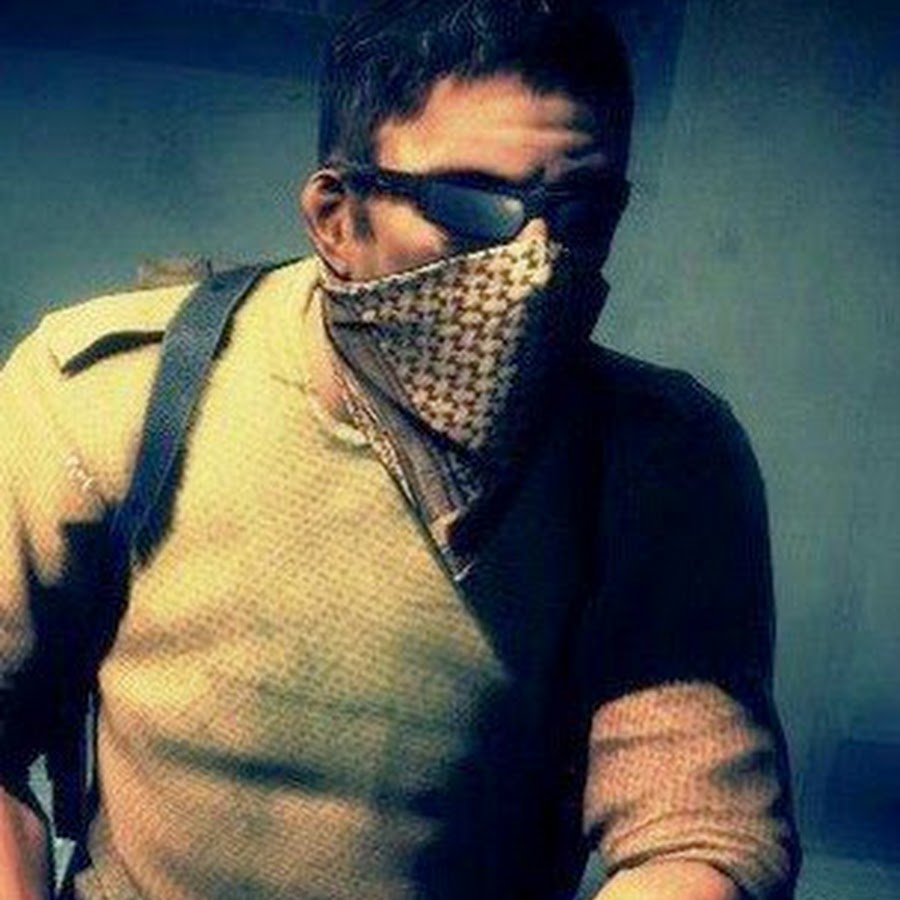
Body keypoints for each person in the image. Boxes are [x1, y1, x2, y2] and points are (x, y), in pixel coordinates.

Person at [0, 1, 801, 898]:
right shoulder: (113, 392)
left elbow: (698, 833)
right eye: (470, 204)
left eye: (580, 211)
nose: (536, 263)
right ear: (336, 219)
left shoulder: (655, 463)